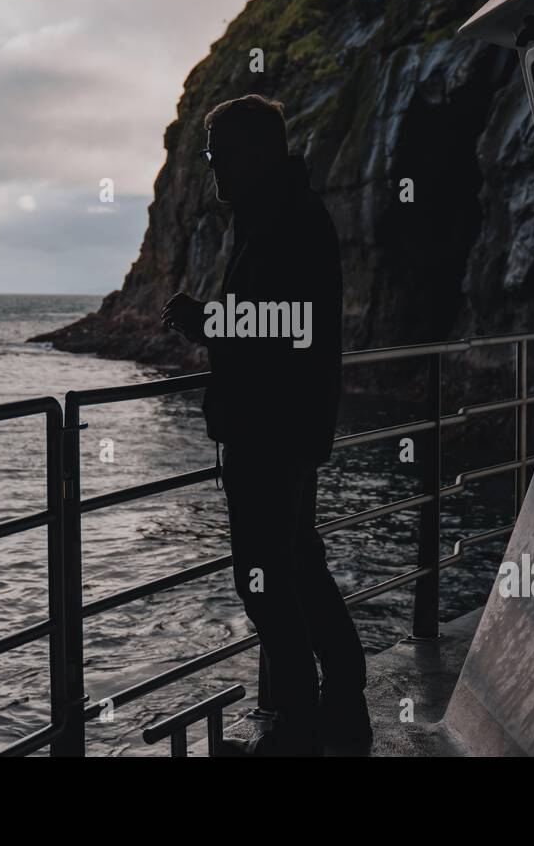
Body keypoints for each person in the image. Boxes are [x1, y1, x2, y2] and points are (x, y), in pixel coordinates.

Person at [160, 94, 370, 756]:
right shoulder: (283, 216)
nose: (213, 168)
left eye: (218, 154)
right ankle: (341, 704)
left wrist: (202, 322)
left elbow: (279, 328)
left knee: (266, 582)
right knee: (301, 568)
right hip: (290, 427)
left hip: (269, 432)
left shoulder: (282, 224)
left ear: (254, 154)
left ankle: (299, 725)